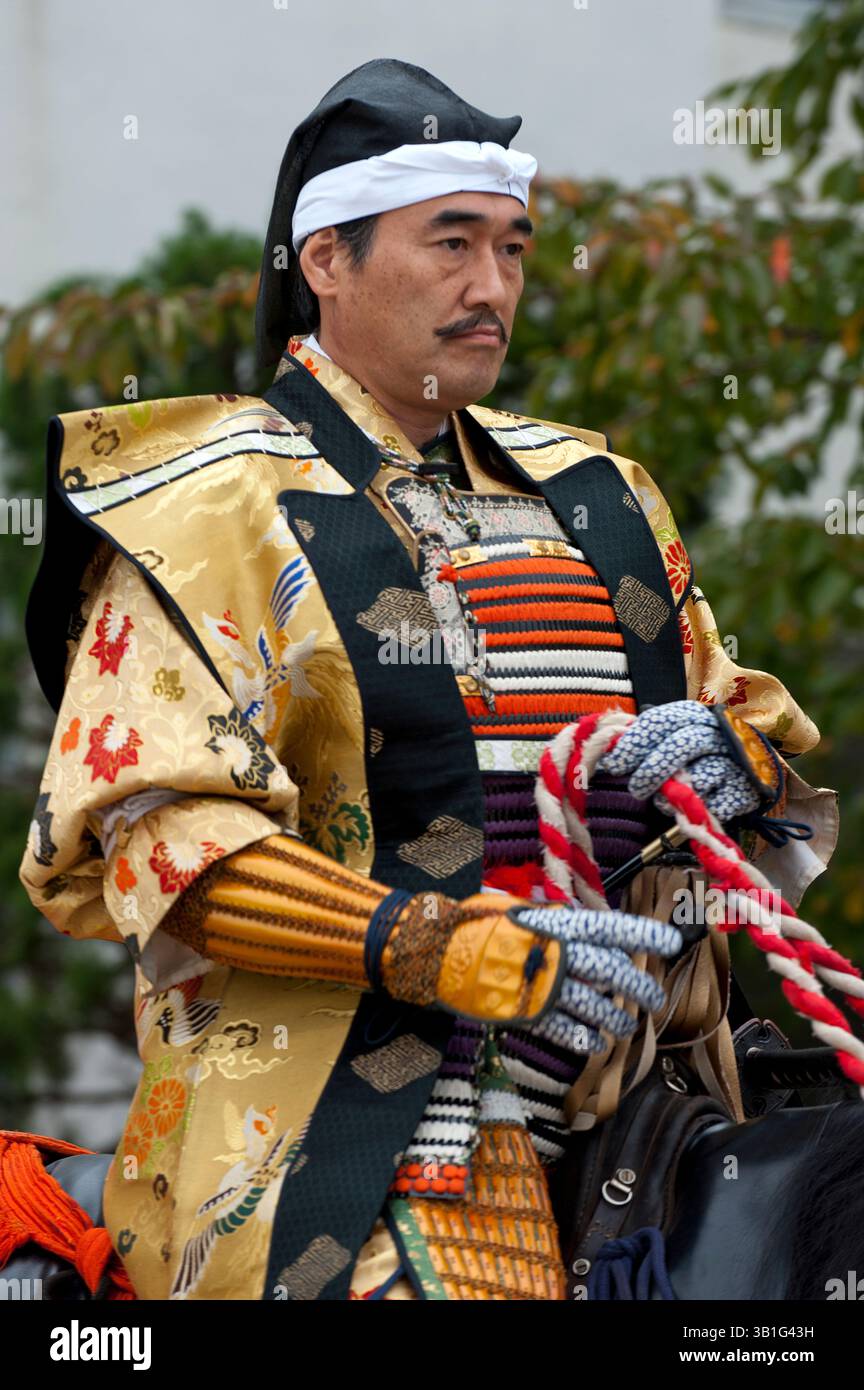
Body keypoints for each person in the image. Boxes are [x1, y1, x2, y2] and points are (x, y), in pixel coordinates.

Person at [18, 58, 837, 1301]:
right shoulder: (205, 509)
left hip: (651, 1087)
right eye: (450, 243)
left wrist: (734, 761)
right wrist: (438, 944)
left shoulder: (601, 493)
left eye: (511, 248)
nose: (492, 287)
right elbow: (160, 838)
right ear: (325, 262)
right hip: (375, 1113)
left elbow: (755, 729)